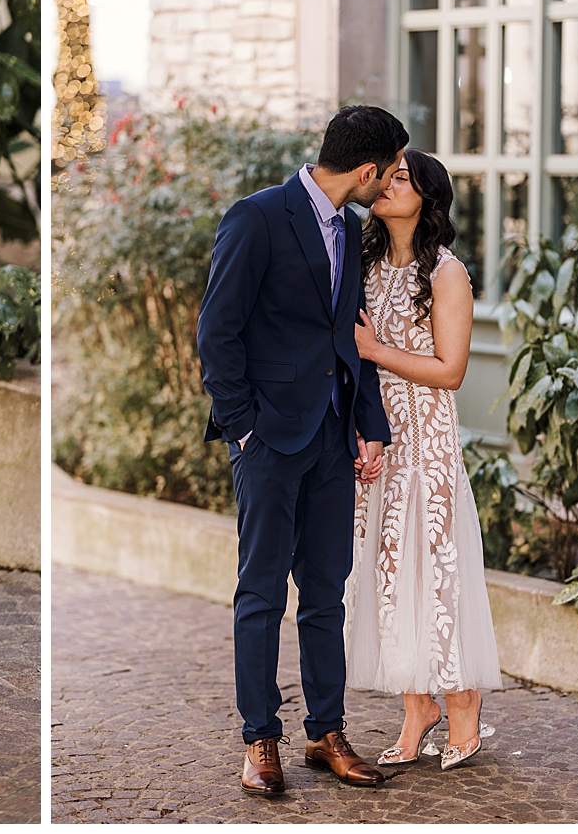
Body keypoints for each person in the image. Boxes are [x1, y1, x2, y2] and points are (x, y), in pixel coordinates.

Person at [195, 103, 410, 797]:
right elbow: (217, 333)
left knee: (325, 594)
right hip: (267, 439)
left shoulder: (348, 229)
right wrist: (243, 428)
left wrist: (368, 424)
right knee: (261, 593)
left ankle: (326, 732)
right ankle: (260, 737)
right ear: (367, 170)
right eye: (391, 173)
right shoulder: (256, 217)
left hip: (331, 438)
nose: (392, 185)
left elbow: (350, 339)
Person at [346, 150, 501, 769]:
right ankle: (417, 708)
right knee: (388, 573)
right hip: (379, 441)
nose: (387, 184)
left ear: (427, 198)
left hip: (428, 443)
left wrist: (376, 350)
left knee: (436, 573)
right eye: (386, 175)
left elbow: (451, 370)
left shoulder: (446, 273)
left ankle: (462, 703)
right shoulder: (364, 265)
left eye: (402, 178)